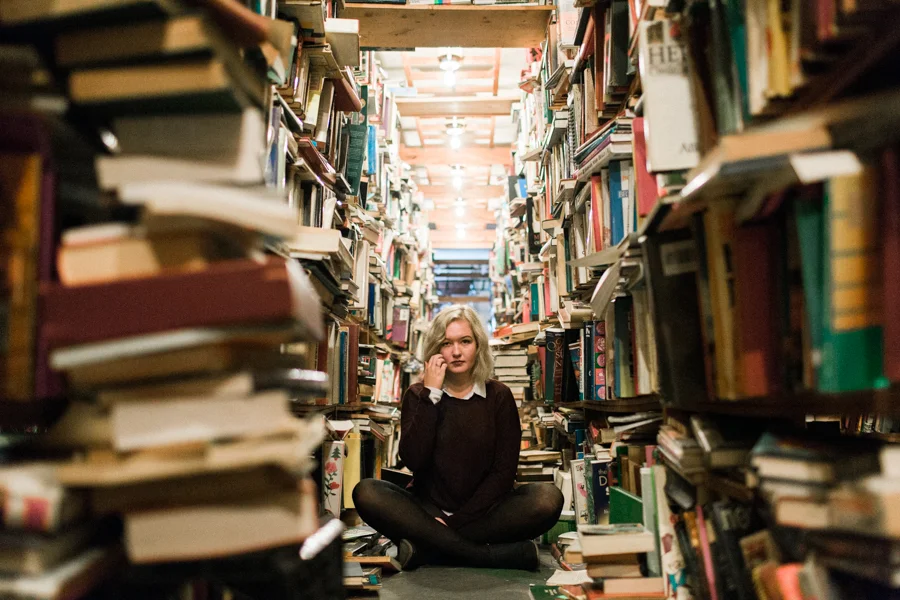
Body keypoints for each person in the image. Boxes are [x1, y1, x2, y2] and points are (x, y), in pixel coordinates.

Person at [353, 305, 564, 571]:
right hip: (428, 511)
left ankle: (429, 549)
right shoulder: (418, 395)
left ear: (478, 345)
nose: (456, 351)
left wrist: (455, 524)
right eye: (446, 343)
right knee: (368, 492)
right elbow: (414, 460)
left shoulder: (499, 396)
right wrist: (431, 394)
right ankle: (489, 556)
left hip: (486, 513)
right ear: (434, 351)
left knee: (547, 498)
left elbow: (503, 473)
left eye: (465, 341)